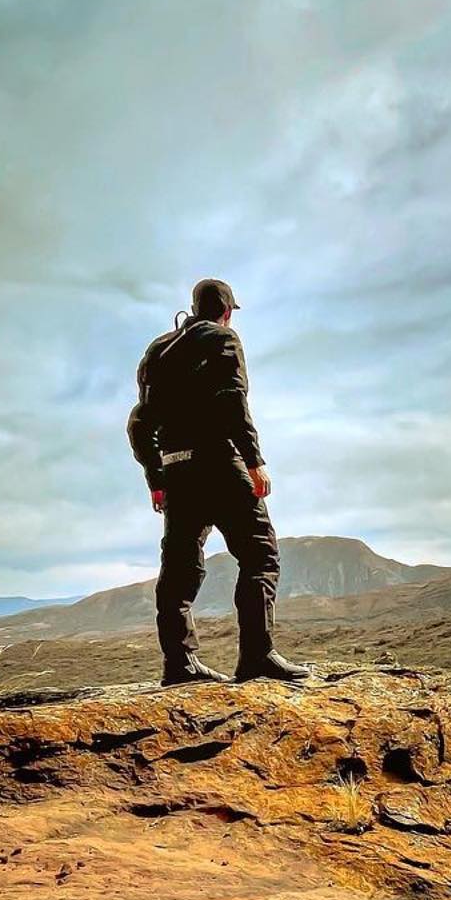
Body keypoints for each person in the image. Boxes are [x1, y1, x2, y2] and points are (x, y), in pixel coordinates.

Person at [127, 278, 309, 686]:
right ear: (227, 310)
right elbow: (232, 398)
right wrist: (255, 461)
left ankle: (180, 665)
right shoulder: (223, 338)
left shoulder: (157, 352)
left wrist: (156, 477)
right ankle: (257, 658)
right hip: (219, 466)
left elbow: (139, 423)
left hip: (176, 471)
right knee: (260, 555)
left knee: (178, 571)